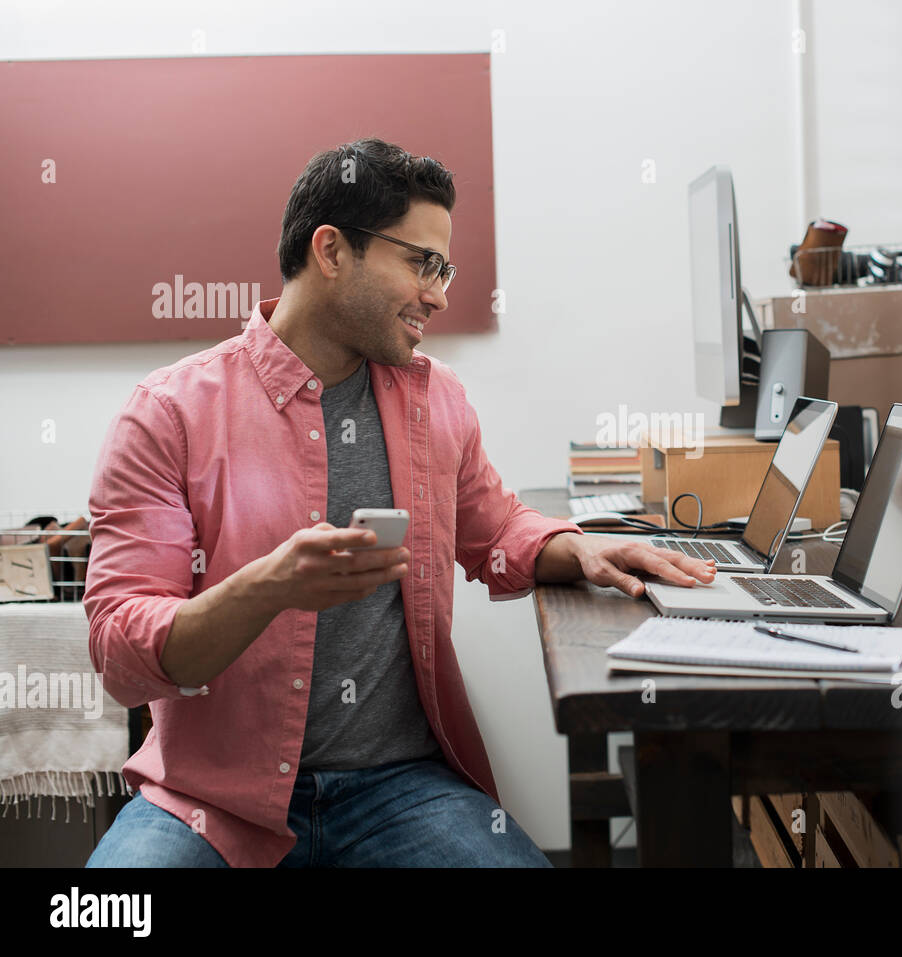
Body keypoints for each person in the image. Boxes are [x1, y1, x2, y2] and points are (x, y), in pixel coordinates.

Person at [83, 138, 714, 868]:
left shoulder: (434, 398)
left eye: (444, 268)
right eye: (422, 262)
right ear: (331, 251)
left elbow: (496, 526)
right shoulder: (169, 413)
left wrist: (578, 547)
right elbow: (120, 651)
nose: (440, 294)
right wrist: (268, 587)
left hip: (401, 788)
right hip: (209, 799)